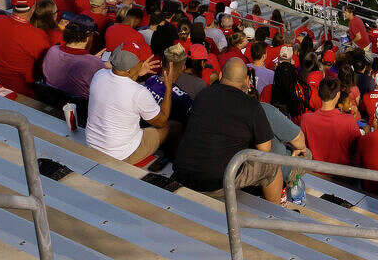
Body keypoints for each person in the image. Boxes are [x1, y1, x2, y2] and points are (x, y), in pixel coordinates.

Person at [173, 58, 285, 201]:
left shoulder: (203, 94)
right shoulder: (251, 105)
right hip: (215, 183)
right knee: (272, 165)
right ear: (246, 80)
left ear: (220, 75)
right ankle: (275, 213)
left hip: (182, 174)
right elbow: (265, 149)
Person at [86, 47, 178, 165]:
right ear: (129, 70)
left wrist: (136, 73)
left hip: (92, 144)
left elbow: (121, 85)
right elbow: (162, 121)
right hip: (121, 154)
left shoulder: (99, 75)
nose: (143, 63)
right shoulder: (139, 92)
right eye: (141, 62)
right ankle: (166, 163)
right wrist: (169, 88)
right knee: (172, 126)